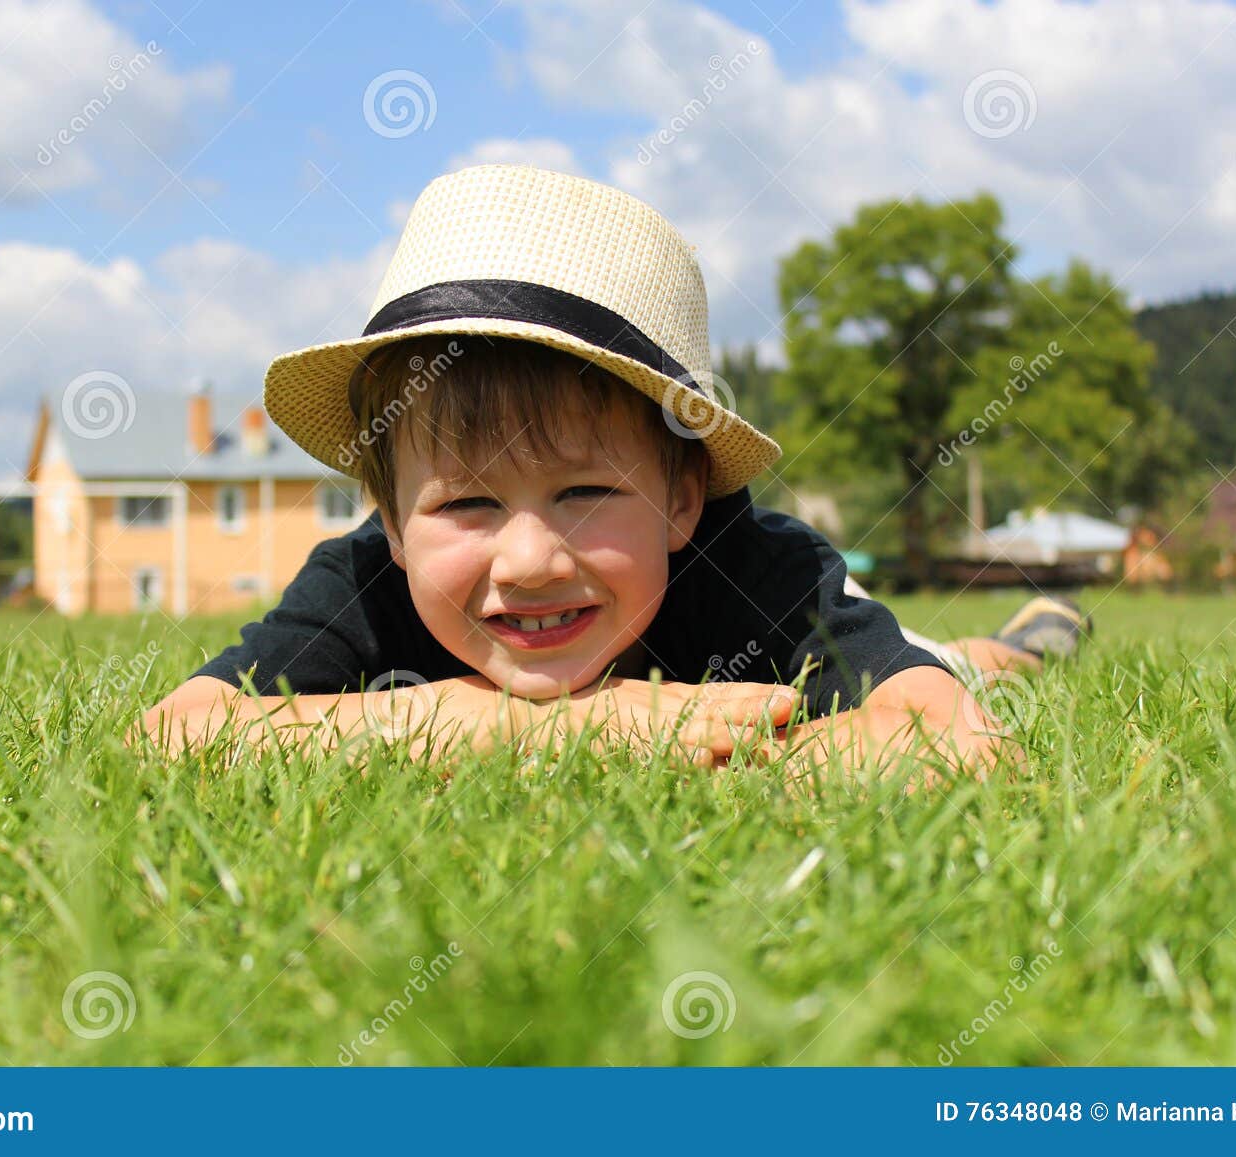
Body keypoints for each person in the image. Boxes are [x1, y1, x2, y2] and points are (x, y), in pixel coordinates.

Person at [134, 164, 1074, 782]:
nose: (530, 559)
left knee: (958, 666)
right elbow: (169, 737)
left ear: (681, 496)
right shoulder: (363, 585)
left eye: (584, 493)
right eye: (466, 502)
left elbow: (953, 742)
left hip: (863, 637)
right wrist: (532, 725)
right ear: (389, 520)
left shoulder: (755, 569)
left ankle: (1024, 644)